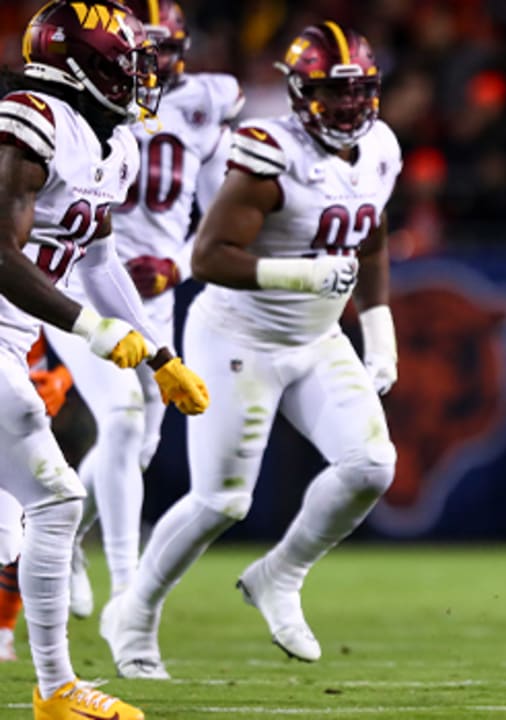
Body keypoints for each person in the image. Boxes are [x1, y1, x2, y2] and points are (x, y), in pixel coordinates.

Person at [102, 21, 401, 680]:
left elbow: (372, 239)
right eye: (332, 93)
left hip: (317, 336)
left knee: (372, 465)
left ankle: (280, 575)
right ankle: (135, 611)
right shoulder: (270, 153)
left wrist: (379, 334)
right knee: (222, 501)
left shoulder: (381, 147)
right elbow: (208, 257)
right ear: (299, 93)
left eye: (358, 93)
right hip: (238, 335)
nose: (349, 108)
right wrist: (299, 274)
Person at [0, 1, 210, 716]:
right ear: (78, 66)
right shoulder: (30, 121)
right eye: (125, 64)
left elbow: (97, 261)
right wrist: (95, 333)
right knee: (52, 500)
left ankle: (56, 690)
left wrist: (157, 353)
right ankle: (56, 692)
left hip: (7, 343)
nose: (140, 77)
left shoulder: (112, 144)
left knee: (44, 506)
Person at [38, 0, 242, 622]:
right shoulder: (74, 120)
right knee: (123, 421)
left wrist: (176, 266)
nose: (147, 73)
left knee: (139, 441)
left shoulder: (194, 109)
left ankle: (65, 537)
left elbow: (217, 217)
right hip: (67, 286)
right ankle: (125, 588)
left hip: (147, 296)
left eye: (156, 54)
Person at [0, 334, 78, 664]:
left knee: (13, 537)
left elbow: (79, 338)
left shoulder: (50, 288)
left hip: (23, 412)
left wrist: (62, 379)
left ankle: (3, 631)